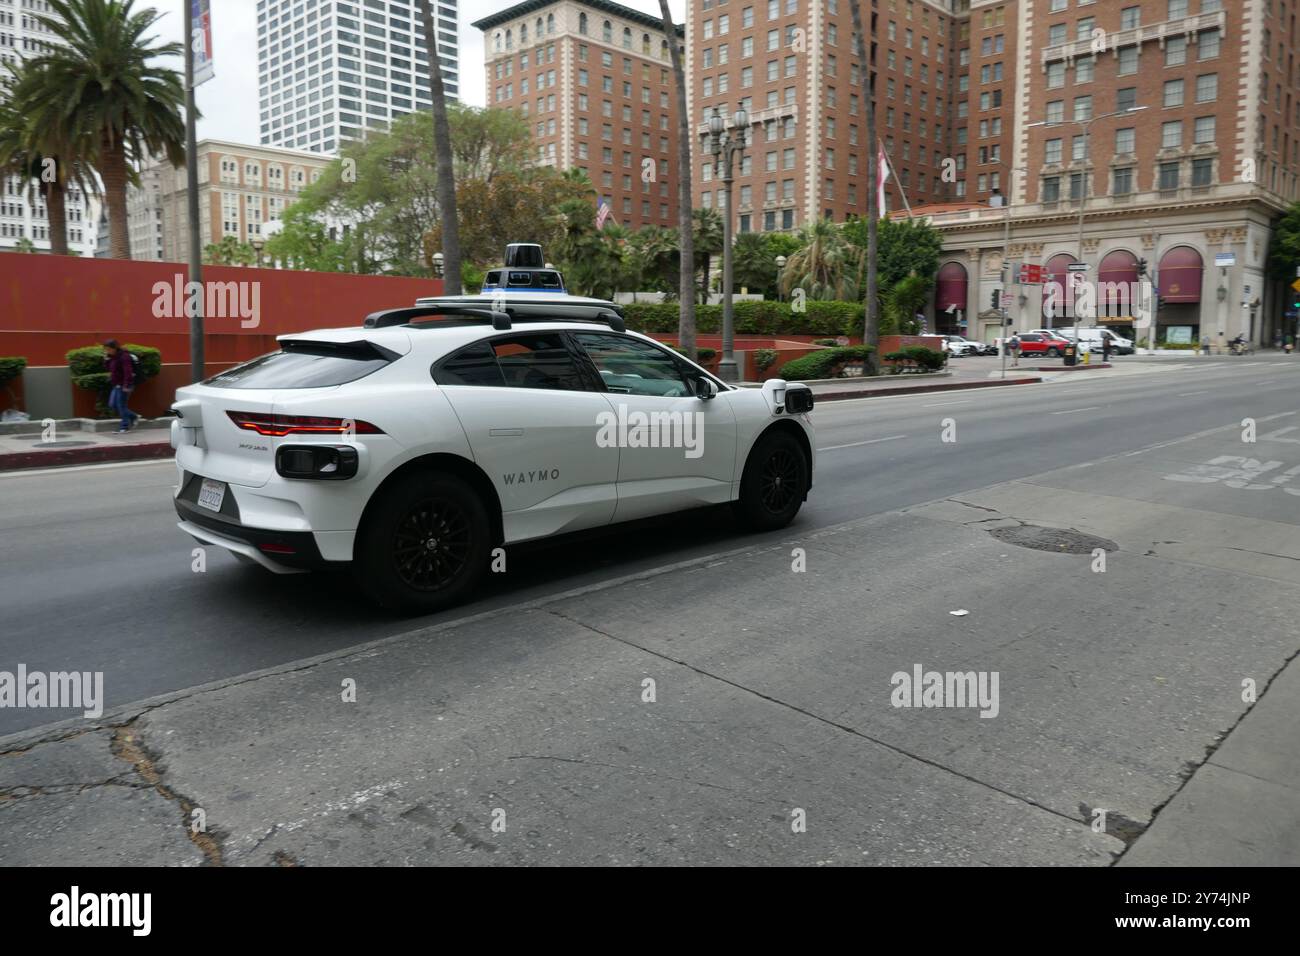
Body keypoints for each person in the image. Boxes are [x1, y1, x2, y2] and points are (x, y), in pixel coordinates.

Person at [103, 339, 139, 433]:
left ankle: (124, 426)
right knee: (112, 405)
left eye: (108, 349)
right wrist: (106, 361)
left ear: (114, 348)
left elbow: (128, 372)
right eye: (105, 349)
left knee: (121, 406)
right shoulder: (112, 357)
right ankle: (133, 416)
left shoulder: (124, 356)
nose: (107, 351)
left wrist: (126, 385)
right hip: (116, 384)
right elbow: (109, 369)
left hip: (124, 384)